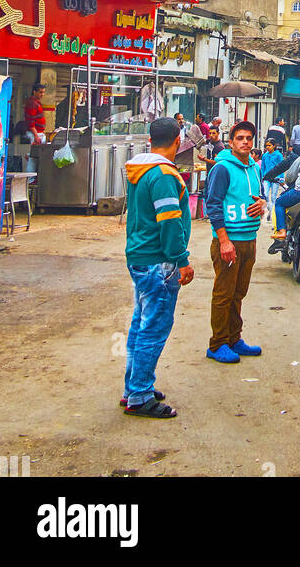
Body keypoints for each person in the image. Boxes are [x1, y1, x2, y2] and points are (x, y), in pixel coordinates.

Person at [123, 116, 194, 418]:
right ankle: (139, 395)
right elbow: (168, 221)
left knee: (141, 324)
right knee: (154, 326)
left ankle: (136, 386)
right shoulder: (163, 174)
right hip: (158, 262)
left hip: (140, 257)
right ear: (178, 140)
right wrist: (181, 259)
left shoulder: (140, 168)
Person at [205, 121, 266, 364]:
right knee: (223, 294)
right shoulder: (222, 168)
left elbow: (260, 196)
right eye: (240, 138)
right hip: (228, 242)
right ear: (231, 142)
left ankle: (234, 338)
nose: (245, 142)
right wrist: (223, 241)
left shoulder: (255, 168)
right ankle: (217, 343)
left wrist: (262, 205)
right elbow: (213, 205)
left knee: (238, 293)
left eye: (249, 138)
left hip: (249, 240)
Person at [260, 139, 284, 219]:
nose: (268, 147)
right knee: (265, 194)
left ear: (274, 146)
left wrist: (281, 178)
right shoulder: (264, 155)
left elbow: (281, 167)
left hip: (276, 178)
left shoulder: (278, 155)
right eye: (266, 145)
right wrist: (262, 176)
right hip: (266, 177)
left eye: (269, 145)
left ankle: (272, 215)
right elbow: (263, 167)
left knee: (274, 196)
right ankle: (271, 210)